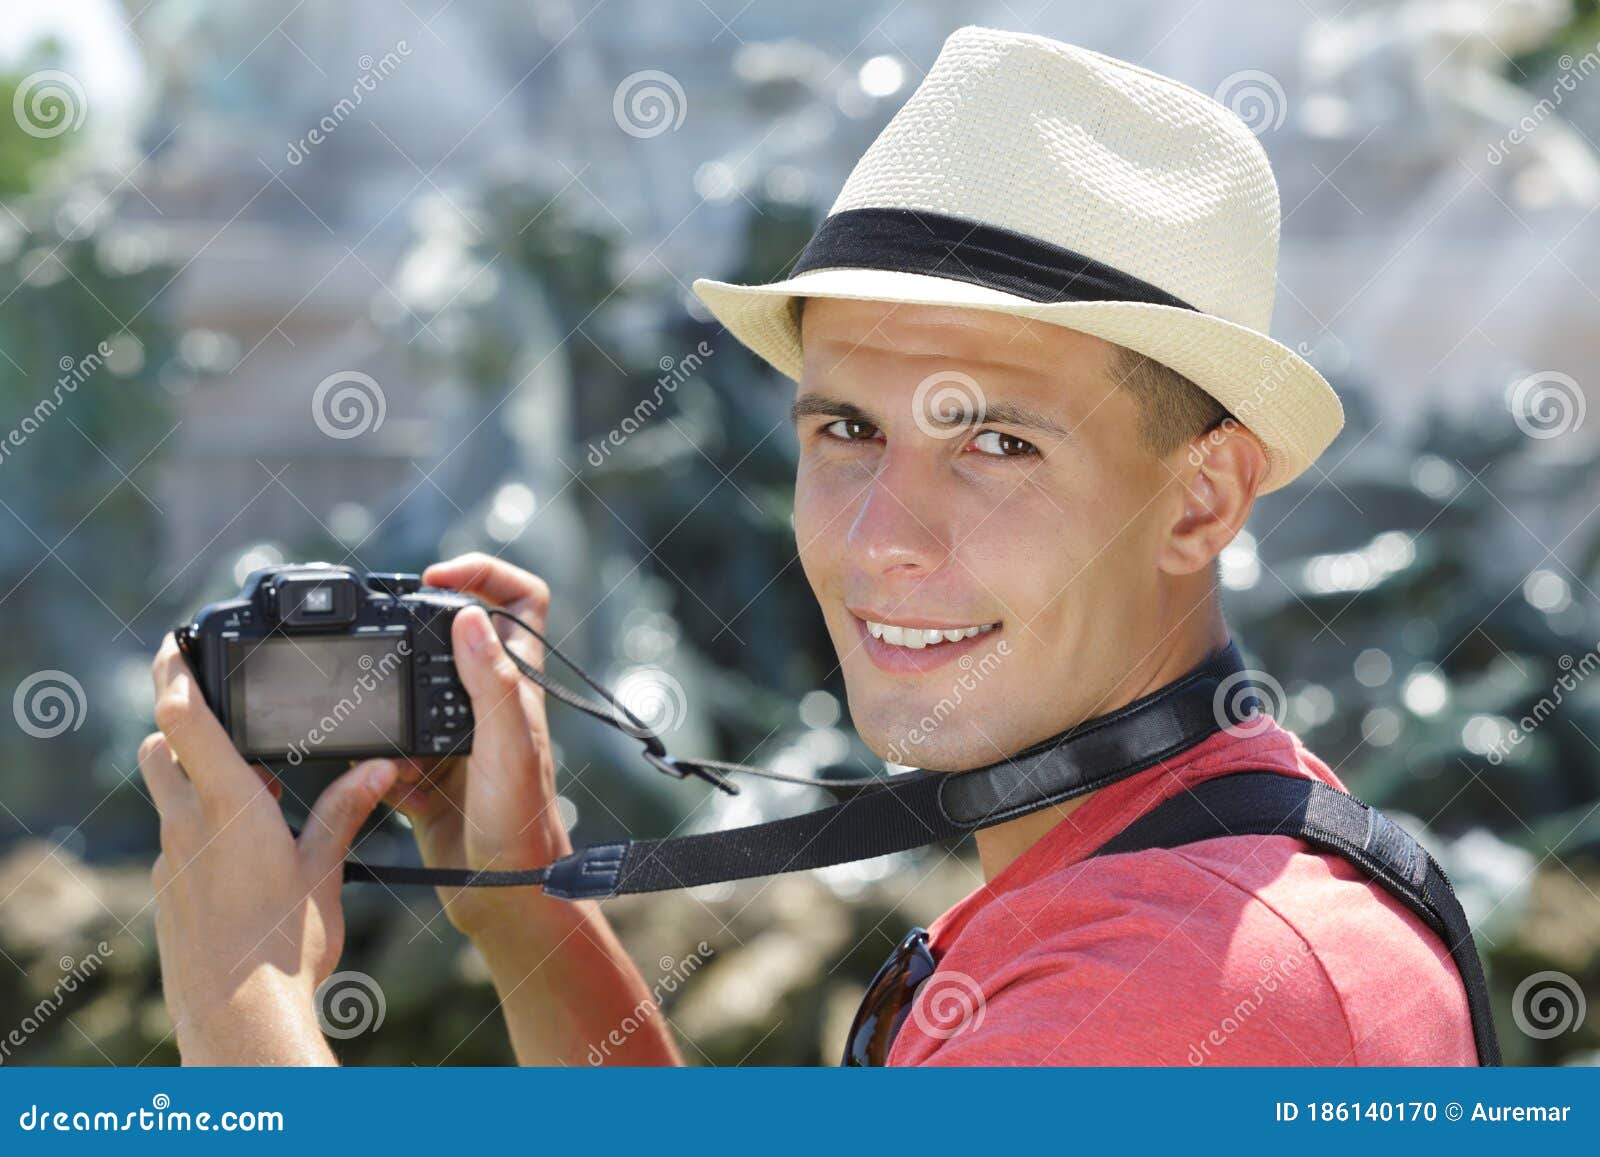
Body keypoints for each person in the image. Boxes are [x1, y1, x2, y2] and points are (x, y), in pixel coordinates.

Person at [141, 26, 1478, 1066]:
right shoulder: (1188, 866)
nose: (876, 538)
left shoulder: (1175, 996)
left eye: (998, 444)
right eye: (846, 428)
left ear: (1201, 500)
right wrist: (525, 902)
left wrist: (239, 1012)